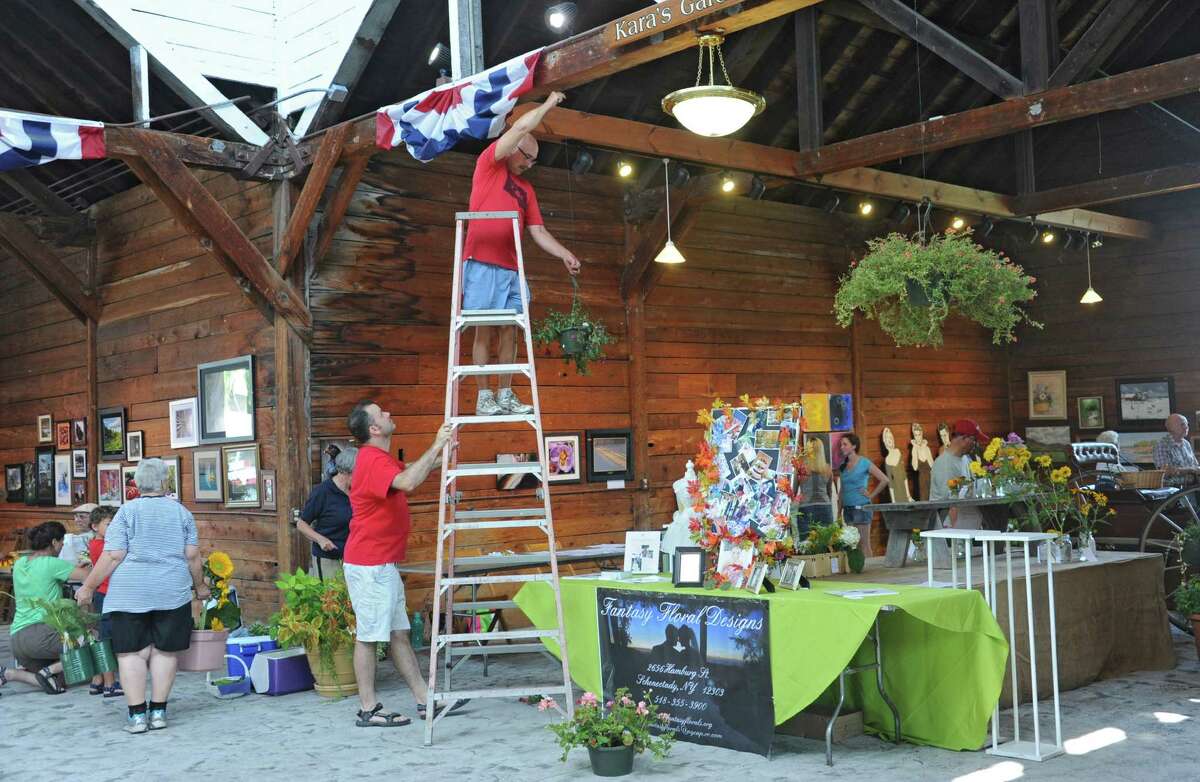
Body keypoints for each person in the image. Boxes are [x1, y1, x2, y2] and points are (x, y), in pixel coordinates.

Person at [343, 400, 463, 727]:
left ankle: (425, 700)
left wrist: (442, 455)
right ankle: (368, 709)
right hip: (369, 565)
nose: (389, 414)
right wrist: (437, 443)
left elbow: (411, 472)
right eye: (383, 413)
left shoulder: (379, 459)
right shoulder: (370, 460)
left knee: (398, 634)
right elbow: (409, 482)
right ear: (374, 429)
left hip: (381, 563)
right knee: (368, 636)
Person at [462, 90, 581, 417]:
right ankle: (483, 396)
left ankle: (505, 392)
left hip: (512, 268)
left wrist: (564, 254)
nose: (529, 165)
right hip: (482, 262)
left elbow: (538, 232)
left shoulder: (527, 190)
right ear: (514, 148)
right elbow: (518, 129)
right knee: (483, 328)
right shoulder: (490, 164)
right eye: (526, 157)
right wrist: (547, 105)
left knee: (511, 329)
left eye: (533, 161)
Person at [75, 458, 208, 735]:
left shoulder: (125, 513)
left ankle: (137, 717)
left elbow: (113, 556)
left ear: (136, 483)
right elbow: (192, 556)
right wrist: (201, 586)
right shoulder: (181, 513)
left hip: (129, 594)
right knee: (164, 651)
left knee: (130, 653)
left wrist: (88, 587)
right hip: (171, 591)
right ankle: (158, 712)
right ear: (165, 482)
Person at [0, 522, 91, 695]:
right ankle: (49, 670)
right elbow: (88, 577)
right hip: (43, 636)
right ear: (54, 542)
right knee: (93, 638)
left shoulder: (20, 563)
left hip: (18, 641)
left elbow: (42, 578)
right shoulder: (51, 563)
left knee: (59, 682)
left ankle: (11, 674)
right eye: (62, 541)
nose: (63, 545)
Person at [297, 446, 356, 581]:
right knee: (331, 600)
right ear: (347, 472)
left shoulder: (357, 491)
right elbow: (301, 524)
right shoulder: (323, 492)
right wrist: (321, 539)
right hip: (329, 559)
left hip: (354, 559)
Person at [86, 505, 122, 697]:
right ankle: (109, 683)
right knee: (107, 640)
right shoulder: (103, 546)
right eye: (109, 524)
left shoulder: (95, 543)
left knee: (104, 636)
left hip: (105, 593)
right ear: (94, 526)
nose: (114, 528)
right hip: (107, 594)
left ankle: (97, 680)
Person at [834, 433, 890, 557]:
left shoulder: (864, 463)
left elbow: (884, 480)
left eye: (845, 444)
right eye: (841, 444)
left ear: (854, 446)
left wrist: (871, 495)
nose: (842, 447)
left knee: (864, 544)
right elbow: (842, 490)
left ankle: (870, 574)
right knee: (853, 545)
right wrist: (839, 511)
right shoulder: (843, 467)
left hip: (861, 508)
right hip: (847, 509)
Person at [930, 419, 988, 528]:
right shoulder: (944, 464)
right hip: (949, 527)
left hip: (968, 523)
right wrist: (956, 534)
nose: (976, 444)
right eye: (974, 440)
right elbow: (949, 501)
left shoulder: (965, 458)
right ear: (964, 439)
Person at [792, 438, 833, 538]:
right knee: (826, 543)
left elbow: (793, 493)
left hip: (805, 507)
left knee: (806, 544)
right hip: (825, 507)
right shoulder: (827, 468)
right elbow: (829, 492)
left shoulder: (800, 468)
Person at [1153, 414, 1200, 487]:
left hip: (1192, 486)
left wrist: (1194, 469)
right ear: (1172, 428)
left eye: (1187, 424)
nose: (1186, 427)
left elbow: (1196, 466)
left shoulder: (1186, 443)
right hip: (1175, 491)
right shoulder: (1162, 445)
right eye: (1183, 424)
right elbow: (1164, 471)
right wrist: (1191, 470)